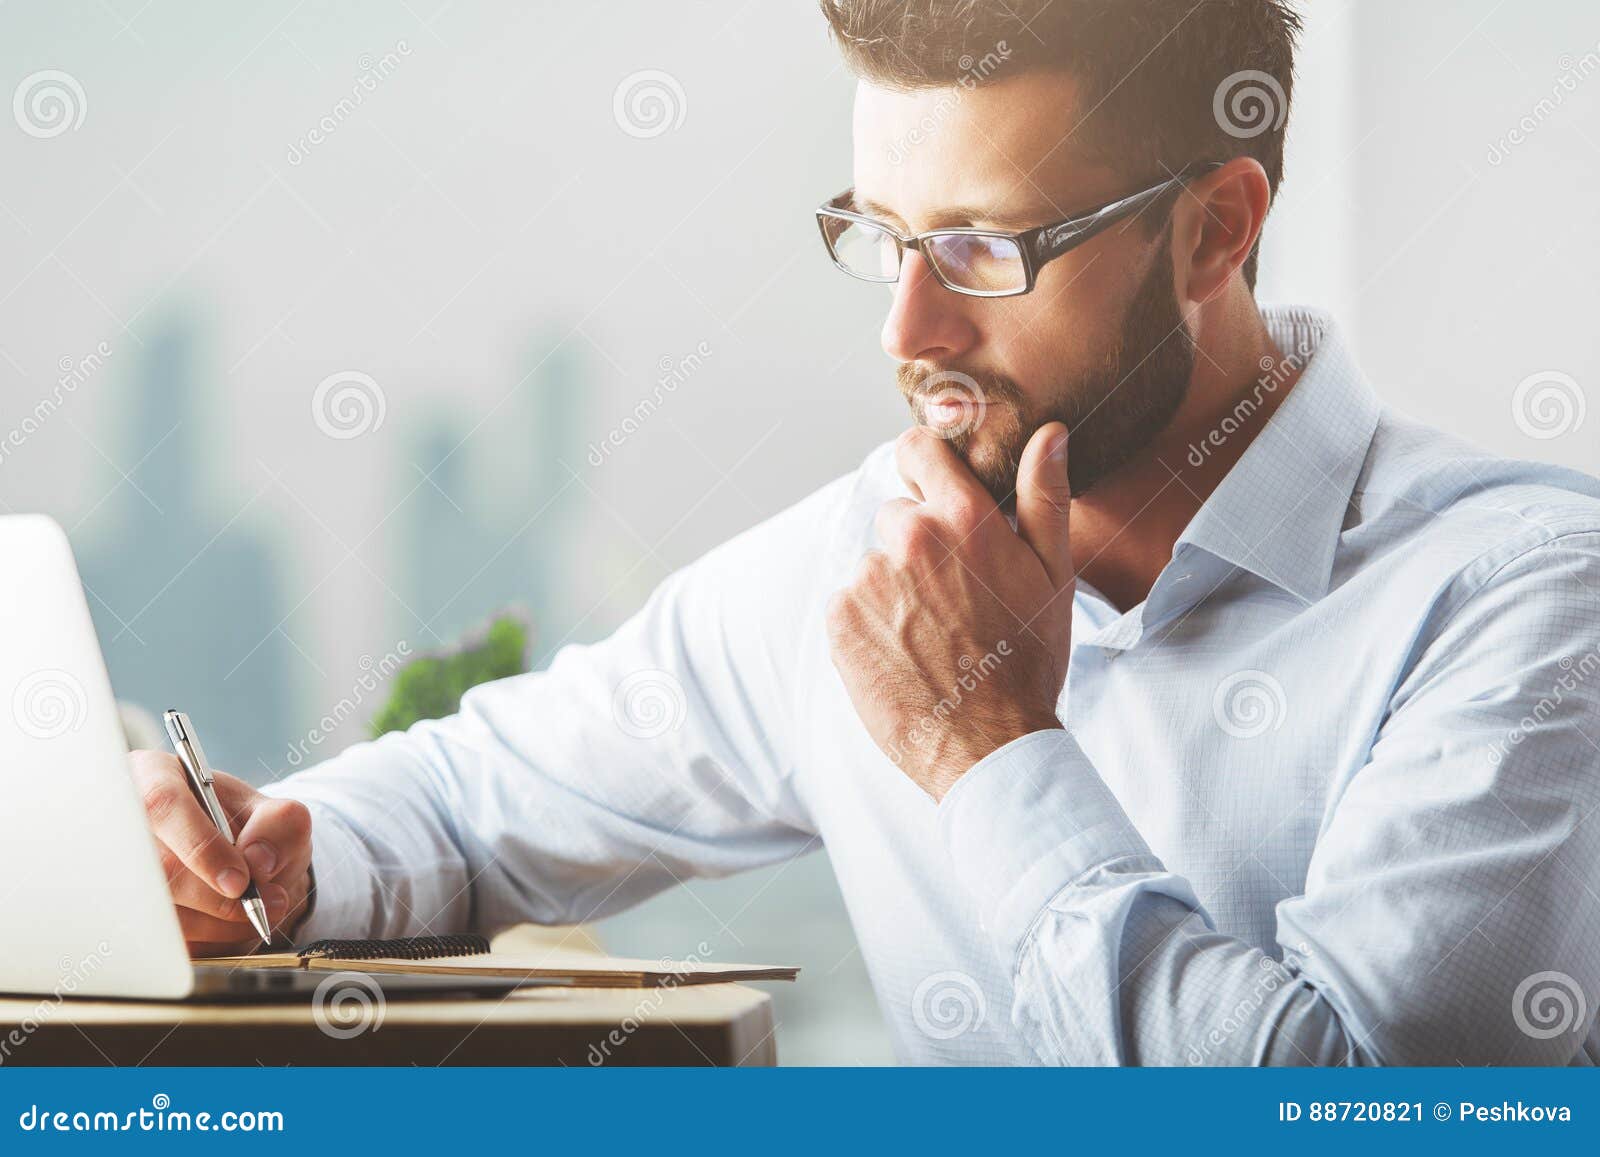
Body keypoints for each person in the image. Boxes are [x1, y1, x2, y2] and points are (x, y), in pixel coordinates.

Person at [129, 0, 1600, 1064]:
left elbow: (1357, 1110)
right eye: (883, 237)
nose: (909, 325)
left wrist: (991, 753)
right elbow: (469, 801)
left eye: (982, 248)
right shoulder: (870, 563)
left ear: (1216, 228)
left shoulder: (1523, 602)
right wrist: (280, 860)